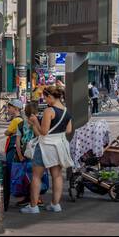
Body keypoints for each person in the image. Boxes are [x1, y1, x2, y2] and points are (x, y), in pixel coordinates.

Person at [23, 84, 75, 213]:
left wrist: (35, 122)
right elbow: (68, 130)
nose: (45, 101)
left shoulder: (49, 111)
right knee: (57, 176)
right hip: (59, 146)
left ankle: (33, 206)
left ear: (50, 96)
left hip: (45, 146)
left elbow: (43, 132)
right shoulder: (66, 110)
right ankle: (55, 204)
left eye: (45, 98)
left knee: (36, 176)